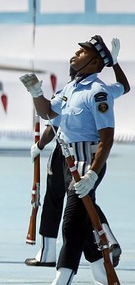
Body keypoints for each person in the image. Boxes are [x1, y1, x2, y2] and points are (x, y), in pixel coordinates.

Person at [21, 35, 125, 285]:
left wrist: (92, 174)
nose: (74, 55)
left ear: (94, 63)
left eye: (81, 53)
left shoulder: (98, 93)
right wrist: (35, 93)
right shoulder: (70, 88)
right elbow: (47, 114)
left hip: (86, 166)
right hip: (69, 165)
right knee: (81, 229)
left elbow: (107, 137)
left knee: (70, 225)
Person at [27, 63, 128, 267]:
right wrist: (115, 64)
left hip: (67, 153)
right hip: (86, 152)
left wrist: (39, 145)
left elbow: (51, 126)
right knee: (84, 201)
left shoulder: (69, 92)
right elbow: (124, 86)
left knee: (58, 200)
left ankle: (48, 252)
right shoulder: (102, 89)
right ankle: (108, 239)